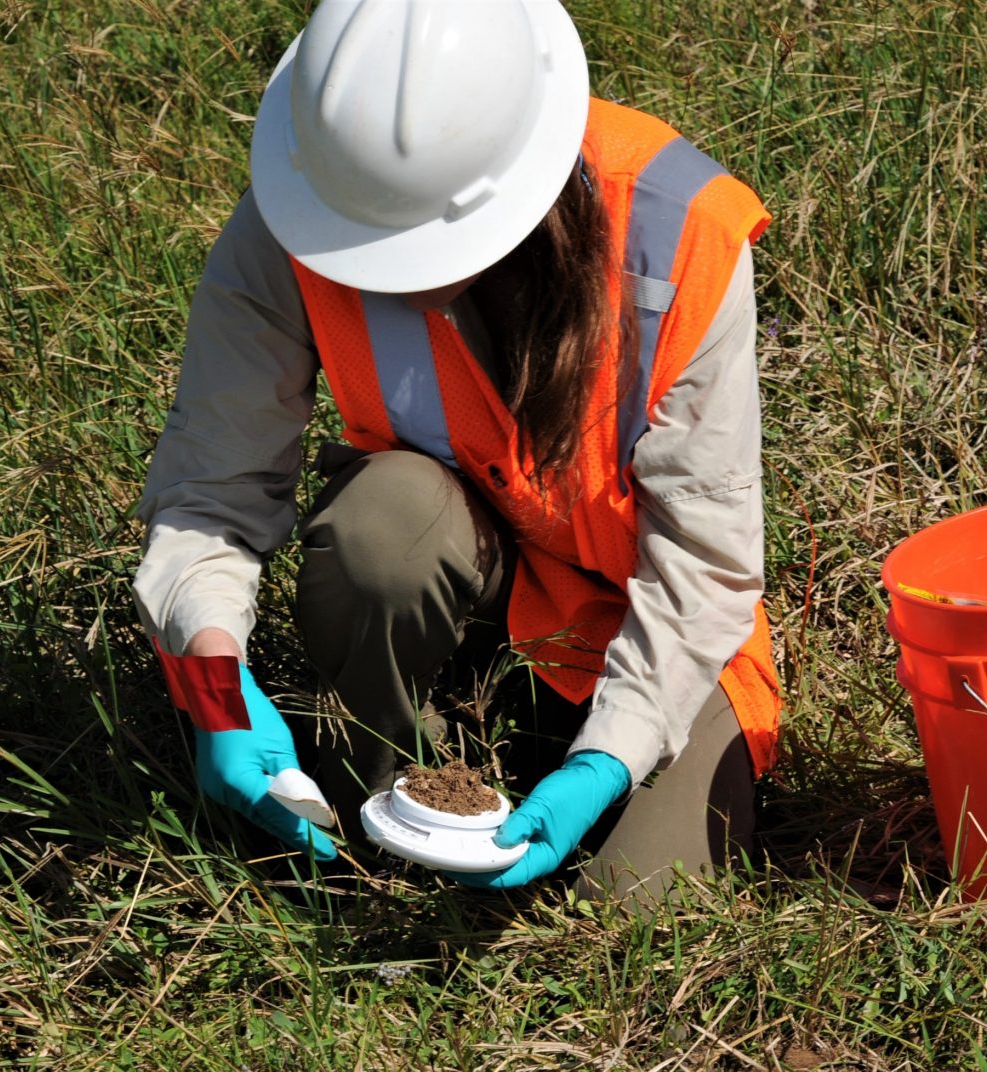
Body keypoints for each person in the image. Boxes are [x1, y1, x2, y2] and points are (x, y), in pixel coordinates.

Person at [133, 0, 780, 904]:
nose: (381, 273)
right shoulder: (303, 211)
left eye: (417, 246)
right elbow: (210, 490)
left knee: (634, 910)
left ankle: (564, 756)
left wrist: (609, 756)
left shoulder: (681, 236)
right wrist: (214, 688)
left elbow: (703, 567)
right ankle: (382, 782)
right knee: (383, 523)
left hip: (657, 625)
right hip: (469, 581)